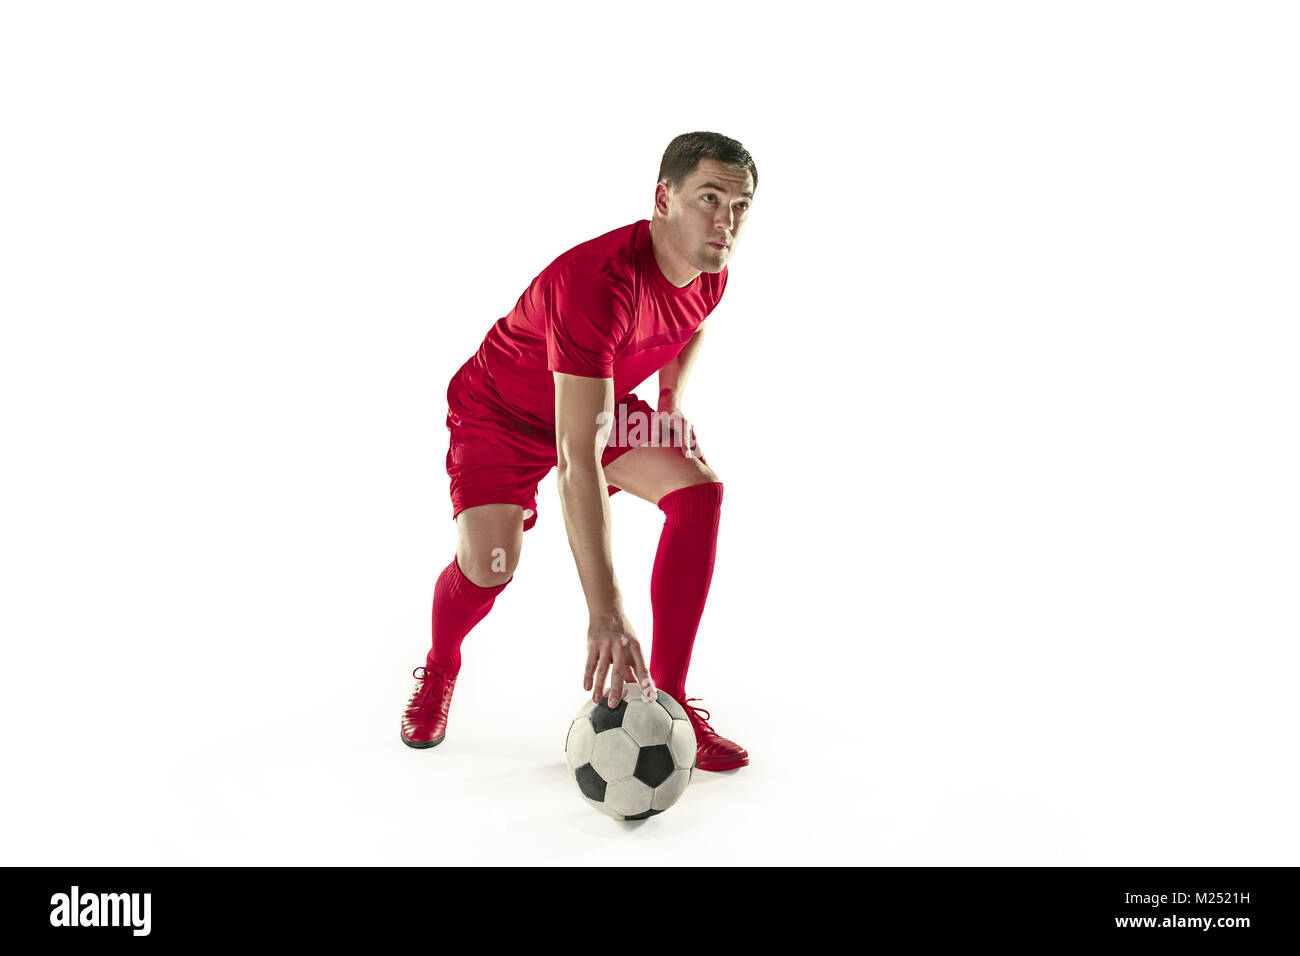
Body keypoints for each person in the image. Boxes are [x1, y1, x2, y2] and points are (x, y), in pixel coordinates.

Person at [401, 131, 756, 771]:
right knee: (490, 566)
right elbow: (577, 462)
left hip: (591, 398)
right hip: (502, 415)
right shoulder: (598, 284)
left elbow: (690, 325)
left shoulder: (710, 268)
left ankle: (670, 705)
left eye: (740, 205)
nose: (725, 220)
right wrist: (606, 613)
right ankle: (441, 664)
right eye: (710, 197)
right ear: (663, 198)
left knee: (697, 491)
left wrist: (670, 404)